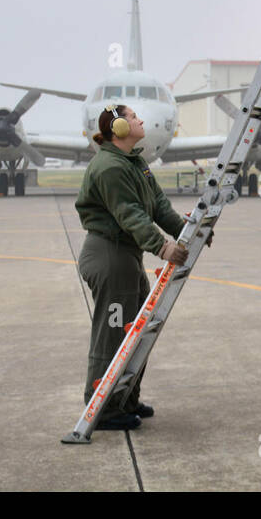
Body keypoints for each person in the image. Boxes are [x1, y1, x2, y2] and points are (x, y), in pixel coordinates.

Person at [74, 103, 189, 430]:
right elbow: (129, 214)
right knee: (113, 333)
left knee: (136, 332)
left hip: (127, 257)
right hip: (109, 256)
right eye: (134, 117)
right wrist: (163, 247)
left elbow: (158, 208)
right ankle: (103, 409)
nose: (140, 120)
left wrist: (186, 233)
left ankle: (124, 398)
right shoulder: (110, 167)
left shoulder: (135, 162)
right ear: (120, 128)